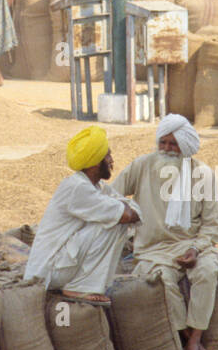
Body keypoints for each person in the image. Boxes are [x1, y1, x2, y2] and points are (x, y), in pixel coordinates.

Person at [113, 113, 218, 350]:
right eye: (162, 142)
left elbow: (212, 225)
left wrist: (196, 248)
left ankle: (195, 341)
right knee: (161, 281)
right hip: (154, 249)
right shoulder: (142, 166)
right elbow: (111, 195)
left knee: (208, 272)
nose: (167, 149)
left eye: (173, 144)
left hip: (192, 245)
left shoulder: (202, 174)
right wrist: (128, 215)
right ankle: (189, 340)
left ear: (185, 147)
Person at [24, 126, 141, 304]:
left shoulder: (97, 187)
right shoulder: (77, 188)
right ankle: (80, 287)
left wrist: (125, 209)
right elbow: (126, 214)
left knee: (113, 218)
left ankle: (83, 283)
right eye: (107, 155)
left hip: (63, 264)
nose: (111, 160)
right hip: (48, 272)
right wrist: (123, 209)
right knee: (112, 223)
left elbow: (136, 211)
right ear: (95, 163)